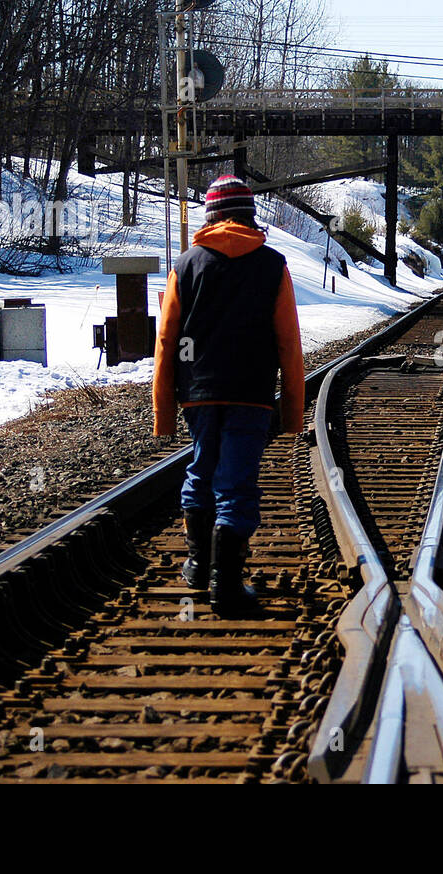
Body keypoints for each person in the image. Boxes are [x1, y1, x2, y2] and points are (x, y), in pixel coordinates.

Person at [153, 174, 306, 617]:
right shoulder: (272, 265)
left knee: (201, 471)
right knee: (236, 483)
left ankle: (200, 566)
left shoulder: (185, 265)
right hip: (251, 392)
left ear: (211, 216)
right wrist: (292, 411)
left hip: (197, 393)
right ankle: (226, 584)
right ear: (249, 216)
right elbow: (288, 343)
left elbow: (167, 341)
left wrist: (164, 410)